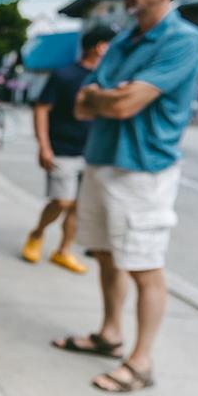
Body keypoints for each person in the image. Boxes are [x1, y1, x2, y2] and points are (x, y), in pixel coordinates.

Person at [51, 0, 198, 393]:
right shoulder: (123, 41)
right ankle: (110, 334)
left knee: (144, 265)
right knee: (105, 254)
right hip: (101, 159)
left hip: (144, 170)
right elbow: (83, 104)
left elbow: (122, 104)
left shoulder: (182, 40)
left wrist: (110, 97)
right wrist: (108, 97)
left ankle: (141, 363)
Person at [22, 24, 117, 273]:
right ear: (100, 47)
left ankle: (64, 251)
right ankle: (37, 233)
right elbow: (41, 108)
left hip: (93, 153)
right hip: (62, 148)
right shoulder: (65, 74)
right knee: (62, 201)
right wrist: (43, 146)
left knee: (79, 206)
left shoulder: (108, 79)